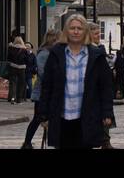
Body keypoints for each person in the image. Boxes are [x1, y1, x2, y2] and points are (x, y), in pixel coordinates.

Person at [39, 14, 115, 149]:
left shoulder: (96, 55)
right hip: (62, 115)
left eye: (79, 28)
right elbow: (47, 85)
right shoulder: (57, 53)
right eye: (72, 28)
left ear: (85, 31)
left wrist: (107, 112)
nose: (75, 31)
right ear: (66, 31)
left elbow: (106, 86)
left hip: (87, 116)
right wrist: (44, 114)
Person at [22, 30, 58, 148]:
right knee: (38, 119)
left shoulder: (54, 52)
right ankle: (27, 142)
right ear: (53, 39)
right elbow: (43, 73)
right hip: (41, 93)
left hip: (50, 92)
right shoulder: (44, 53)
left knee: (47, 119)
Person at [7, 36, 31, 104]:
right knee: (21, 84)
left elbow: (8, 58)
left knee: (13, 83)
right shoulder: (24, 50)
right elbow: (27, 60)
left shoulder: (11, 48)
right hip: (21, 68)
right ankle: (19, 99)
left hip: (13, 67)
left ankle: (12, 98)